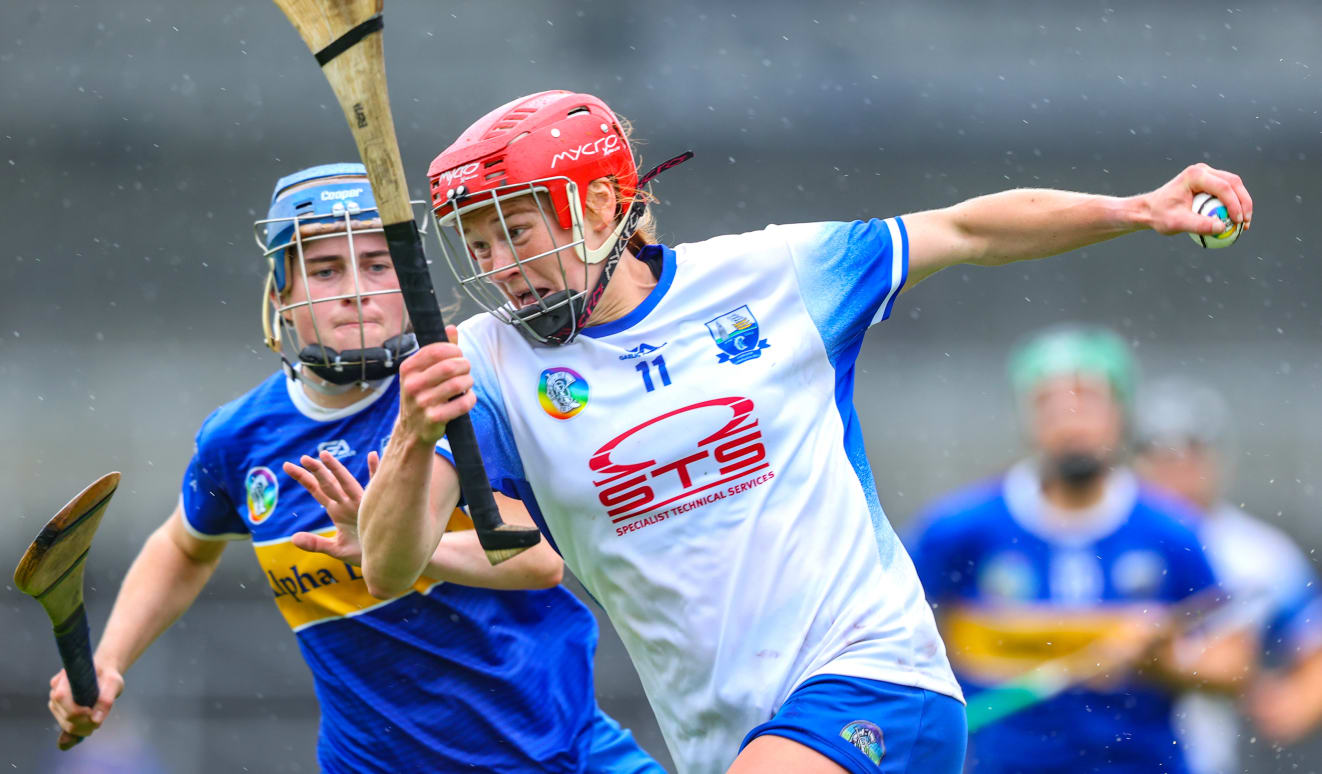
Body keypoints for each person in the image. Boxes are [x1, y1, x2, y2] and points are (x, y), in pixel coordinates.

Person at [353, 89, 1254, 774]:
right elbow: (389, 565)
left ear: (597, 205)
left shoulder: (777, 274)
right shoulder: (481, 366)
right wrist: (410, 433)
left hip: (875, 677)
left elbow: (970, 228)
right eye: (479, 244)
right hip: (726, 741)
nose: (500, 268)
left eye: (516, 230)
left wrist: (1140, 208)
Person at [46, 163, 662, 774]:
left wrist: (394, 548)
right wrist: (110, 660)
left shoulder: (457, 388)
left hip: (562, 754)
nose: (356, 289)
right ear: (280, 295)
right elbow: (184, 546)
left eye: (377, 265)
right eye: (324, 270)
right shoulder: (239, 439)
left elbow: (537, 560)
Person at [906, 326, 1255, 773]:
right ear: (1026, 418)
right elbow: (889, 630)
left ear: (1121, 413)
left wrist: (1160, 664)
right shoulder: (959, 530)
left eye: (1088, 400)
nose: (1071, 420)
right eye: (1050, 403)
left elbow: (1235, 666)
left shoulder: (1171, 531)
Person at [1135, 377, 1322, 772]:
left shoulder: (1257, 553)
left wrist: (1295, 702)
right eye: (1163, 456)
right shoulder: (1104, 540)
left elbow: (1313, 641)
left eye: (1191, 454)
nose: (1177, 471)